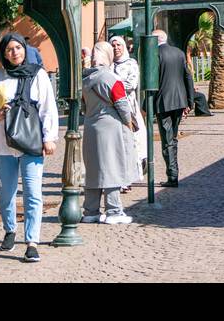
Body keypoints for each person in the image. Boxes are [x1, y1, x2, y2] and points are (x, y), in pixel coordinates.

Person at [0, 32, 59, 263]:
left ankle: (32, 241)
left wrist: (49, 138)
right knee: (6, 193)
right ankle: (10, 230)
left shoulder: (38, 75)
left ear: (25, 49)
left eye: (18, 48)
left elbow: (48, 108)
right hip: (3, 144)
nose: (15, 53)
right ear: (4, 53)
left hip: (31, 143)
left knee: (33, 194)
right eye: (10, 49)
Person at [81, 42, 140, 224]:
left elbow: (83, 106)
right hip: (111, 127)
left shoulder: (85, 79)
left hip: (91, 126)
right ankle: (114, 210)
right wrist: (128, 123)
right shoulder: (111, 78)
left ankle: (90, 211)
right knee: (111, 168)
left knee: (94, 170)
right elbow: (122, 104)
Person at [154, 31, 195, 188]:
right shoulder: (178, 53)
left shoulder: (155, 53)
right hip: (179, 100)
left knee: (167, 140)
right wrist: (190, 101)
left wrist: (146, 106)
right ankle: (173, 173)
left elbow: (152, 80)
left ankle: (172, 175)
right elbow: (188, 76)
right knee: (173, 138)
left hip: (163, 102)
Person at [109, 35, 146, 186]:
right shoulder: (108, 65)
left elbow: (132, 84)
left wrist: (113, 86)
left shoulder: (131, 64)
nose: (116, 48)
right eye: (113, 45)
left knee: (132, 141)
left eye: (119, 45)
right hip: (111, 108)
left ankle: (130, 175)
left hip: (129, 107)